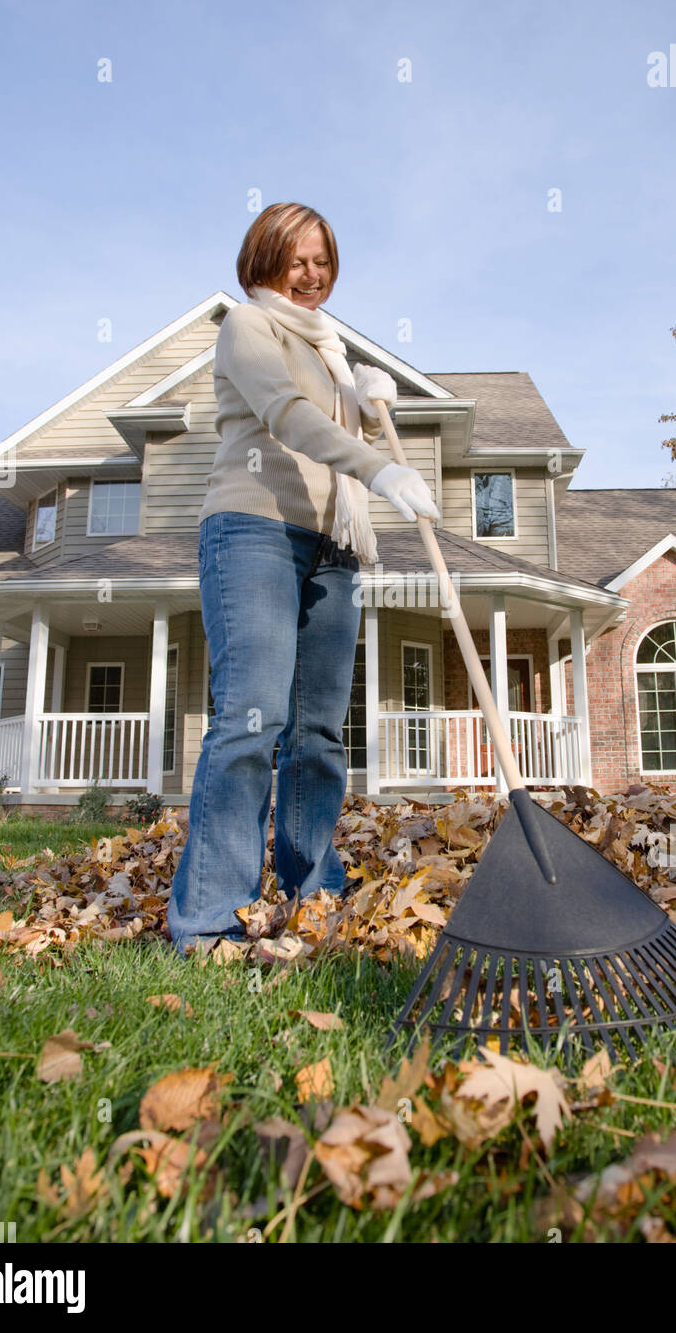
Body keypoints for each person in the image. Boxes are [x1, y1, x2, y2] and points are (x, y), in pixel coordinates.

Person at [167, 202, 439, 956]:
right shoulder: (248, 327)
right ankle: (208, 919)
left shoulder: (331, 350)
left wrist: (368, 406)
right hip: (253, 530)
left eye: (323, 260)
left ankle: (312, 886)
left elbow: (335, 432)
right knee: (252, 721)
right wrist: (380, 466)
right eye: (297, 258)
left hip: (333, 545)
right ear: (264, 258)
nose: (312, 274)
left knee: (317, 732)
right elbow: (286, 417)